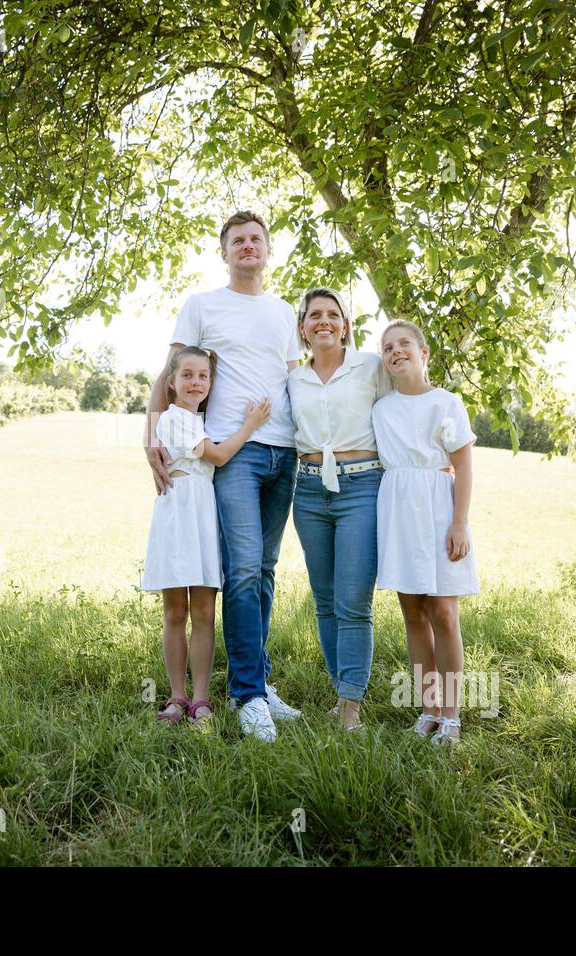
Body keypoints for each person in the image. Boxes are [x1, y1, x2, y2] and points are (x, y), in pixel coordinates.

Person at [144, 210, 303, 743]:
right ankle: (246, 697)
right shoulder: (202, 305)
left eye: (257, 239)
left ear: (268, 249)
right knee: (240, 570)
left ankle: (257, 680)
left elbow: (294, 380)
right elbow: (168, 377)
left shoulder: (285, 313)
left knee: (263, 571)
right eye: (238, 240)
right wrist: (150, 437)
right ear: (225, 251)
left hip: (285, 452)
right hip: (235, 452)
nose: (248, 247)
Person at [142, 346, 271, 726]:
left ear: (211, 382)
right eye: (187, 375)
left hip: (202, 517)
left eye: (203, 376)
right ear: (172, 383)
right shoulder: (173, 418)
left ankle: (201, 698)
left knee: (203, 611)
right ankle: (177, 695)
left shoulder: (200, 421)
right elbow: (216, 457)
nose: (196, 382)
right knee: (175, 611)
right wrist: (249, 426)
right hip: (178, 514)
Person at [287, 287, 393, 731]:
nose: (324, 322)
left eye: (333, 315)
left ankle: (351, 706)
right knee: (325, 600)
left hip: (361, 486)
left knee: (353, 601)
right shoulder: (293, 378)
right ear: (303, 328)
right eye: (315, 316)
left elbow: (401, 410)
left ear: (346, 326)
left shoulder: (370, 366)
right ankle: (339, 690)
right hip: (309, 491)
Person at [371, 320, 478, 746]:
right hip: (397, 510)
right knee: (413, 612)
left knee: (444, 613)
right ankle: (429, 707)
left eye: (403, 344)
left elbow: (464, 465)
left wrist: (459, 522)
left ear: (424, 352)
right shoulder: (381, 408)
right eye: (387, 348)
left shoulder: (446, 402)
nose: (396, 351)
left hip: (437, 506)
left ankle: (451, 714)